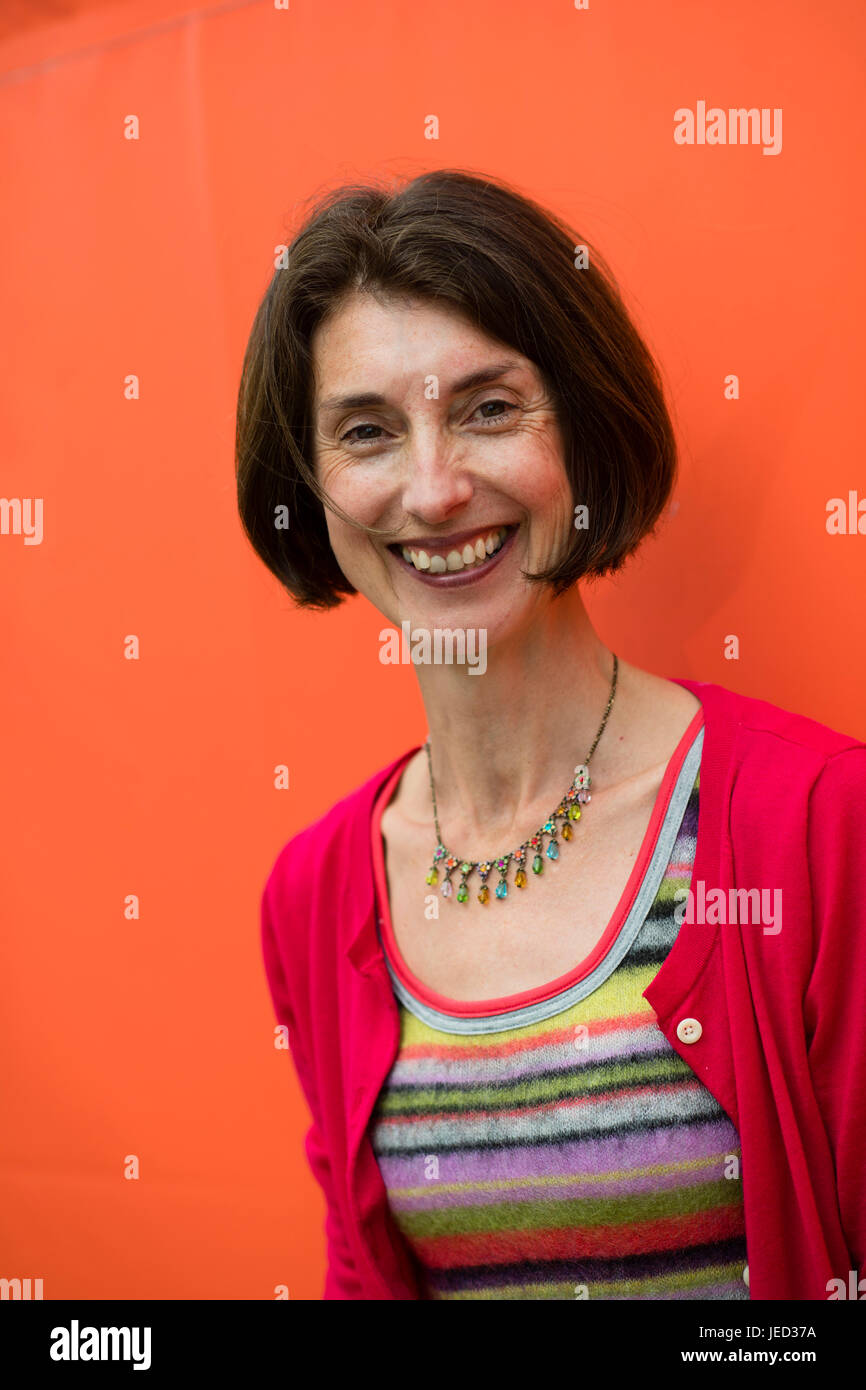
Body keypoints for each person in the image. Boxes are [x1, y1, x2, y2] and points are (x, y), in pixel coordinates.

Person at [236, 168, 866, 1300]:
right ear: (309, 486)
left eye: (486, 408)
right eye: (368, 431)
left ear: (581, 429)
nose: (432, 490)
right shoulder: (314, 892)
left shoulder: (820, 827)